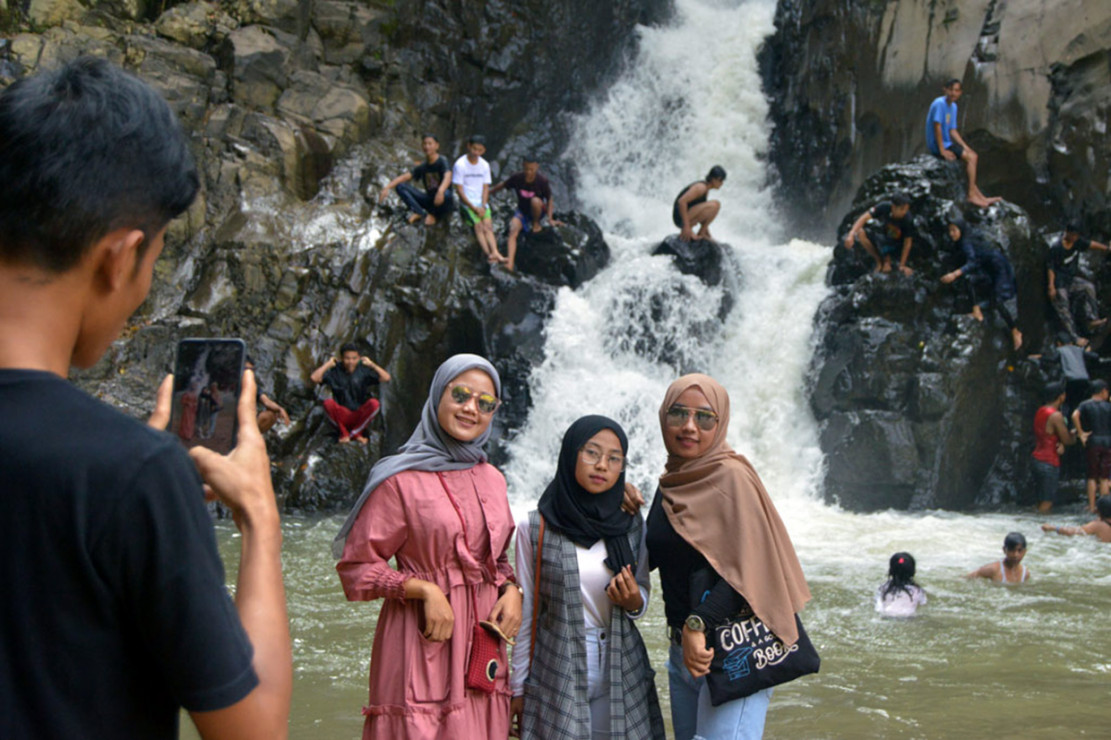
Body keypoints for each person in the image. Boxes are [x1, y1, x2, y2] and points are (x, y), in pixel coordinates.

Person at [0, 57, 291, 740]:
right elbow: (255, 731)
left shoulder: (129, 477)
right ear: (119, 256)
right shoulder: (131, 475)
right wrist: (258, 517)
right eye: (155, 259)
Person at [334, 354, 522, 740]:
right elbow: (355, 569)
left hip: (482, 644)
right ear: (437, 396)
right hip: (422, 638)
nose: (472, 408)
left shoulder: (493, 479)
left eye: (486, 403)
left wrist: (512, 589)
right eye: (461, 395)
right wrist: (421, 588)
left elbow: (498, 558)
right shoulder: (398, 479)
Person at [645, 374, 811, 740]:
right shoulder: (671, 483)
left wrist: (698, 624)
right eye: (678, 414)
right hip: (684, 652)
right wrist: (617, 502)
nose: (690, 426)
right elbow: (652, 554)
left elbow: (752, 568)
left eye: (705, 417)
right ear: (663, 417)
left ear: (720, 423)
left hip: (734, 649)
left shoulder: (733, 477)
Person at [510, 416, 665, 740]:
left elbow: (643, 595)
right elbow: (527, 616)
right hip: (558, 667)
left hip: (623, 666)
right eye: (591, 453)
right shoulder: (535, 528)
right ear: (570, 454)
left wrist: (634, 601)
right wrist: (517, 687)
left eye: (614, 458)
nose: (602, 466)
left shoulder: (632, 523)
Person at [940, 217, 1022, 349]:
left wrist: (954, 274)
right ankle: (977, 310)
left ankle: (1015, 330)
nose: (951, 234)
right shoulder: (963, 240)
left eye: (954, 230)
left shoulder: (966, 243)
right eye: (950, 231)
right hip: (987, 268)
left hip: (997, 267)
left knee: (997, 299)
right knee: (971, 281)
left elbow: (972, 261)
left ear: (961, 230)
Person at [925, 78, 1001, 208]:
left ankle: (980, 196)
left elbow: (952, 130)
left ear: (960, 92)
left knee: (969, 158)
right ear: (945, 89)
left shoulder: (953, 107)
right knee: (973, 158)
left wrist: (965, 146)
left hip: (947, 143)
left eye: (957, 90)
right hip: (938, 144)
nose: (954, 93)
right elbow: (936, 126)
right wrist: (942, 150)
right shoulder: (939, 103)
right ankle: (971, 195)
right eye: (951, 90)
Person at [490, 156, 564, 272]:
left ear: (537, 167)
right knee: (513, 230)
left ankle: (535, 224)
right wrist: (489, 192)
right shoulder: (518, 178)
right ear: (523, 167)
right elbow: (503, 185)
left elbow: (549, 199)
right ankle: (509, 263)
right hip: (522, 211)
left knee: (535, 201)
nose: (529, 172)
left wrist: (550, 219)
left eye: (532, 169)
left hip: (538, 211)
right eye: (527, 169)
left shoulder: (541, 181)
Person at [310, 342, 391, 444]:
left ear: (359, 358)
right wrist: (328, 364)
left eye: (354, 358)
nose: (350, 362)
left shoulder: (363, 371)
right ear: (341, 358)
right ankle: (344, 433)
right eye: (347, 358)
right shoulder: (335, 371)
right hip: (341, 415)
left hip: (358, 414)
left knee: (374, 404)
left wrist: (372, 365)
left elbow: (386, 377)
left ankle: (356, 433)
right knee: (327, 403)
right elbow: (314, 378)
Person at [1047, 223, 1109, 344]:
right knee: (1063, 306)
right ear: (1067, 232)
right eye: (1073, 235)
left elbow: (1090, 244)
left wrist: (1107, 248)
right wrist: (1051, 286)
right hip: (1059, 283)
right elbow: (1050, 267)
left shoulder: (1077, 242)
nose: (1075, 238)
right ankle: (1074, 337)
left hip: (1070, 279)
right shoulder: (1057, 247)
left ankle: (1091, 321)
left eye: (1077, 236)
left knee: (1088, 287)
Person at [378, 133, 454, 226]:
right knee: (401, 186)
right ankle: (419, 212)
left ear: (437, 145)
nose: (427, 146)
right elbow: (405, 177)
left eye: (430, 144)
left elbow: (448, 176)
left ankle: (435, 216)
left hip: (443, 201)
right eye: (425, 144)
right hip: (430, 200)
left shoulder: (442, 161)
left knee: (446, 194)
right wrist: (387, 187)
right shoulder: (423, 166)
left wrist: (440, 191)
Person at [453, 134, 505, 264]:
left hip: (481, 202)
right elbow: (459, 190)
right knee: (479, 226)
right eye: (474, 149)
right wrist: (473, 207)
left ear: (484, 151)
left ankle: (495, 252)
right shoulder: (460, 164)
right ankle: (488, 254)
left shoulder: (484, 165)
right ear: (468, 146)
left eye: (479, 150)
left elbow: (486, 187)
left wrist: (483, 205)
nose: (476, 153)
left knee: (488, 225)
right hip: (467, 203)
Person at [844, 193, 916, 276]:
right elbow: (863, 218)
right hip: (885, 238)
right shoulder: (884, 207)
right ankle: (878, 260)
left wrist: (902, 265)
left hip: (897, 245)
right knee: (860, 232)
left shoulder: (908, 219)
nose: (904, 212)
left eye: (906, 209)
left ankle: (887, 261)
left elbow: (907, 243)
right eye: (902, 209)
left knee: (887, 242)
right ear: (893, 207)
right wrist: (851, 234)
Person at [1031, 381, 1076, 514]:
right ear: (1060, 396)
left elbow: (1048, 434)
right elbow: (1067, 440)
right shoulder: (1056, 415)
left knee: (1040, 499)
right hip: (1049, 462)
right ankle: (1040, 529)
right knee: (1047, 501)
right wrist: (1074, 435)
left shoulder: (1041, 410)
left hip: (1036, 458)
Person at [672, 166, 726, 242]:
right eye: (720, 180)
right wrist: (686, 227)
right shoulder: (701, 188)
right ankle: (691, 230)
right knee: (715, 205)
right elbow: (681, 202)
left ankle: (703, 233)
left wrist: (707, 233)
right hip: (680, 218)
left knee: (712, 207)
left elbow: (703, 213)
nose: (722, 183)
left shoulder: (706, 189)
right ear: (713, 179)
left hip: (686, 216)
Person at [245, 356, 290, 433]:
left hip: (246, 422)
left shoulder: (252, 385)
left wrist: (280, 409)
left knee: (271, 414)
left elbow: (266, 401)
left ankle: (252, 436)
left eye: (251, 370)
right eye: (246, 370)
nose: (248, 373)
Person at [875, 552, 926, 618]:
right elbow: (923, 603)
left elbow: (878, 607)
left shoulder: (883, 588)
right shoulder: (918, 591)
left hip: (887, 615)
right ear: (914, 571)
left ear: (890, 571)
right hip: (908, 617)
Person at [1041, 494, 1111, 542]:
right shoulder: (1102, 523)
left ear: (1098, 511)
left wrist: (1053, 528)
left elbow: (1072, 532)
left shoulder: (1097, 525)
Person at [966, 532, 1031, 583]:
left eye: (1019, 551)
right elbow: (966, 579)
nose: (1015, 555)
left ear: (1025, 551)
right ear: (1004, 550)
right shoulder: (992, 570)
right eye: (1011, 550)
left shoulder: (1025, 574)